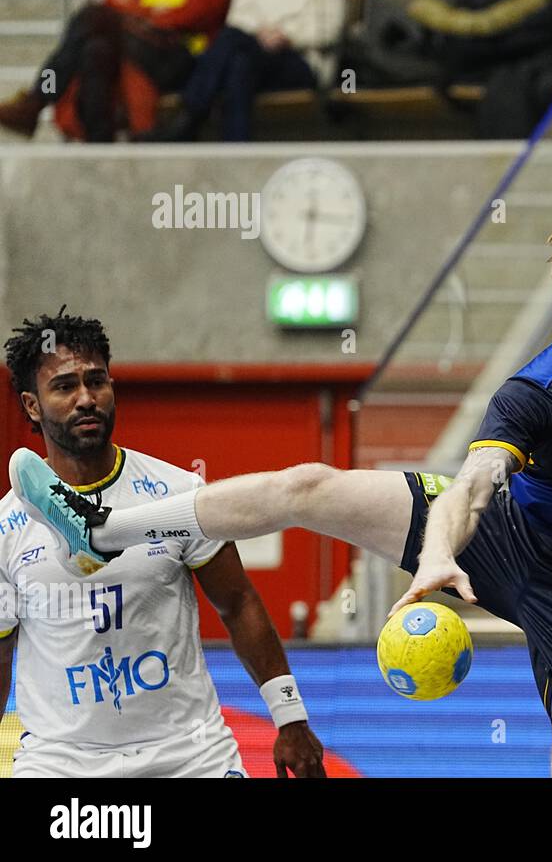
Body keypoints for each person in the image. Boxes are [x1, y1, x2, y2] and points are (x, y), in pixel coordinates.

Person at [11, 205, 552, 778]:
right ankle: (105, 526)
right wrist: (439, 553)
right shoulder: (539, 386)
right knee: (306, 485)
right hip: (506, 536)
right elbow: (475, 482)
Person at [0, 310, 325, 778]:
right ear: (32, 405)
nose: (86, 398)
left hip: (188, 755)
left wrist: (290, 716)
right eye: (65, 386)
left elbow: (237, 601)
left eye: (97, 381)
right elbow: (1, 649)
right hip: (61, 763)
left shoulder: (178, 494)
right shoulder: (9, 528)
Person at [0, 0, 231, 142]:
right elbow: (113, 3)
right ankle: (98, 140)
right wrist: (146, 14)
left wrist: (135, 12)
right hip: (130, 44)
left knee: (92, 17)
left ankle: (37, 100)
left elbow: (192, 15)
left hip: (176, 55)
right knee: (95, 48)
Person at [139, 0, 346, 141]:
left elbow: (330, 28)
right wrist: (261, 35)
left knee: (233, 42)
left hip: (301, 61)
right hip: (254, 56)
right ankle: (235, 149)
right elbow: (238, 21)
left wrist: (286, 36)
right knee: (239, 62)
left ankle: (191, 114)